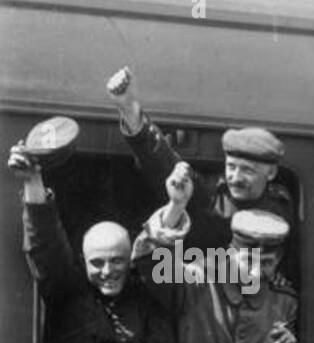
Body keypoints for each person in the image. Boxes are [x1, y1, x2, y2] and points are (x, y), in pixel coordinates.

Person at [9, 139, 173, 343]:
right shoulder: (69, 293)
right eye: (97, 263)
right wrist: (33, 179)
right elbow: (46, 244)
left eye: (117, 260)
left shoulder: (145, 299)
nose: (107, 270)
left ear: (130, 260)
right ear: (84, 261)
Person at [133, 161, 300, 343]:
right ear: (231, 252)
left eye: (267, 263)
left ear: (279, 259)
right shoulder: (200, 277)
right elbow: (151, 263)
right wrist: (176, 206)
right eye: (249, 261)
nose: (256, 272)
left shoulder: (284, 301)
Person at [106, 67, 295, 246]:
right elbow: (163, 160)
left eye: (247, 170)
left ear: (271, 173)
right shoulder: (213, 196)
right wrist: (130, 111)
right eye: (231, 167)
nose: (235, 178)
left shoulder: (282, 205)